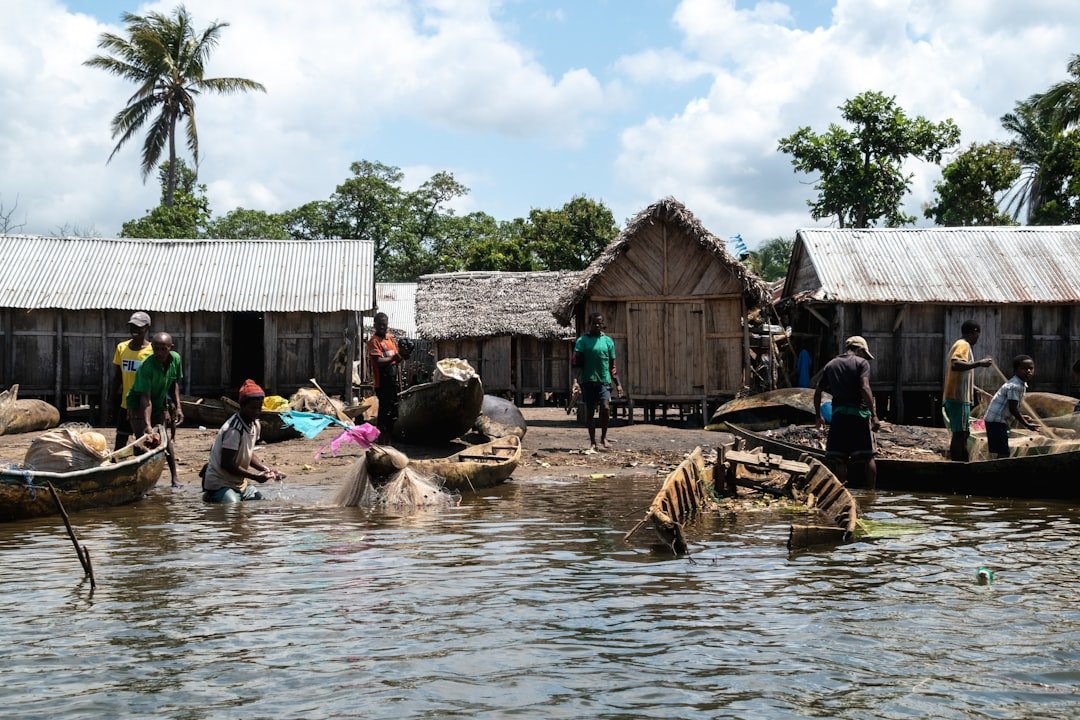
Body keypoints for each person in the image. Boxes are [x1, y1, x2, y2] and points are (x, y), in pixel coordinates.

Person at [814, 335, 881, 489]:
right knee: (867, 456)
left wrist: (819, 416)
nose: (864, 357)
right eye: (864, 353)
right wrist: (874, 415)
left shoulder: (831, 365)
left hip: (838, 417)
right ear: (859, 350)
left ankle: (841, 491)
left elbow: (818, 391)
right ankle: (871, 493)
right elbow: (865, 387)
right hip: (858, 415)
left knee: (839, 459)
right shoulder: (861, 363)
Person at [202, 379, 281, 503]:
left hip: (240, 484)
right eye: (252, 408)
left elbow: (248, 452)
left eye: (259, 408)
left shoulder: (255, 424)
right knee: (233, 508)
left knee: (260, 501)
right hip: (220, 483)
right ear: (242, 406)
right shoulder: (234, 430)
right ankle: (210, 496)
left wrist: (265, 469)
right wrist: (254, 477)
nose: (256, 412)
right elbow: (227, 463)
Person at [128, 331, 183, 487]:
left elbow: (174, 384)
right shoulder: (146, 366)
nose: (159, 353)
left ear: (170, 348)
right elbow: (145, 398)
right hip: (138, 404)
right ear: (152, 347)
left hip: (159, 402)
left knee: (165, 441)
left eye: (163, 349)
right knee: (144, 443)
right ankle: (142, 482)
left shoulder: (176, 359)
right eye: (156, 348)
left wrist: (178, 407)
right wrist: (147, 424)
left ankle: (175, 478)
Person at [943, 320, 994, 461]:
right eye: (978, 334)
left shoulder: (962, 345)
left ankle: (964, 462)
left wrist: (978, 390)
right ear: (975, 332)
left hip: (959, 397)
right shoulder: (963, 345)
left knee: (964, 433)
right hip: (957, 398)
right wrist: (979, 363)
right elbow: (956, 364)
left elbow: (961, 376)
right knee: (959, 434)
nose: (978, 337)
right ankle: (957, 465)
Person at [573, 312, 623, 451]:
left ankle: (604, 437)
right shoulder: (582, 342)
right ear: (589, 324)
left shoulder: (608, 341)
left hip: (604, 381)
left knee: (606, 408)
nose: (597, 325)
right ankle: (593, 442)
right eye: (594, 323)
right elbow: (577, 364)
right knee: (590, 412)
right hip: (588, 381)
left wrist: (618, 383)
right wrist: (575, 381)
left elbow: (612, 366)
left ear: (602, 324)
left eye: (599, 323)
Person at [112, 311, 154, 451]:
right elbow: (118, 376)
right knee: (120, 443)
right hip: (126, 403)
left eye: (138, 327)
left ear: (147, 328)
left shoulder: (153, 351)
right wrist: (111, 398)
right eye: (132, 326)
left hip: (143, 405)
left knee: (142, 443)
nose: (134, 330)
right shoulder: (121, 348)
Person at [983, 355, 1039, 459]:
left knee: (1002, 451)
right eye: (1024, 369)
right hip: (996, 421)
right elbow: (1013, 409)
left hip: (997, 421)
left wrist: (1022, 417)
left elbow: (1012, 408)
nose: (1028, 371)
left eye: (1031, 368)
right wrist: (1026, 424)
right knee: (1003, 452)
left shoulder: (1020, 384)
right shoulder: (1015, 386)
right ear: (1016, 370)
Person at [367, 312, 409, 443]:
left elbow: (397, 359)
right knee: (384, 412)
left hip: (392, 379)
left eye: (384, 325)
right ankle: (381, 438)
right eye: (379, 325)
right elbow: (377, 362)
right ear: (374, 325)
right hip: (382, 381)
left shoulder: (390, 339)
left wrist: (404, 355)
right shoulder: (373, 341)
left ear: (387, 325)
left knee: (393, 411)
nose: (382, 327)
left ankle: (390, 437)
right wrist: (394, 358)